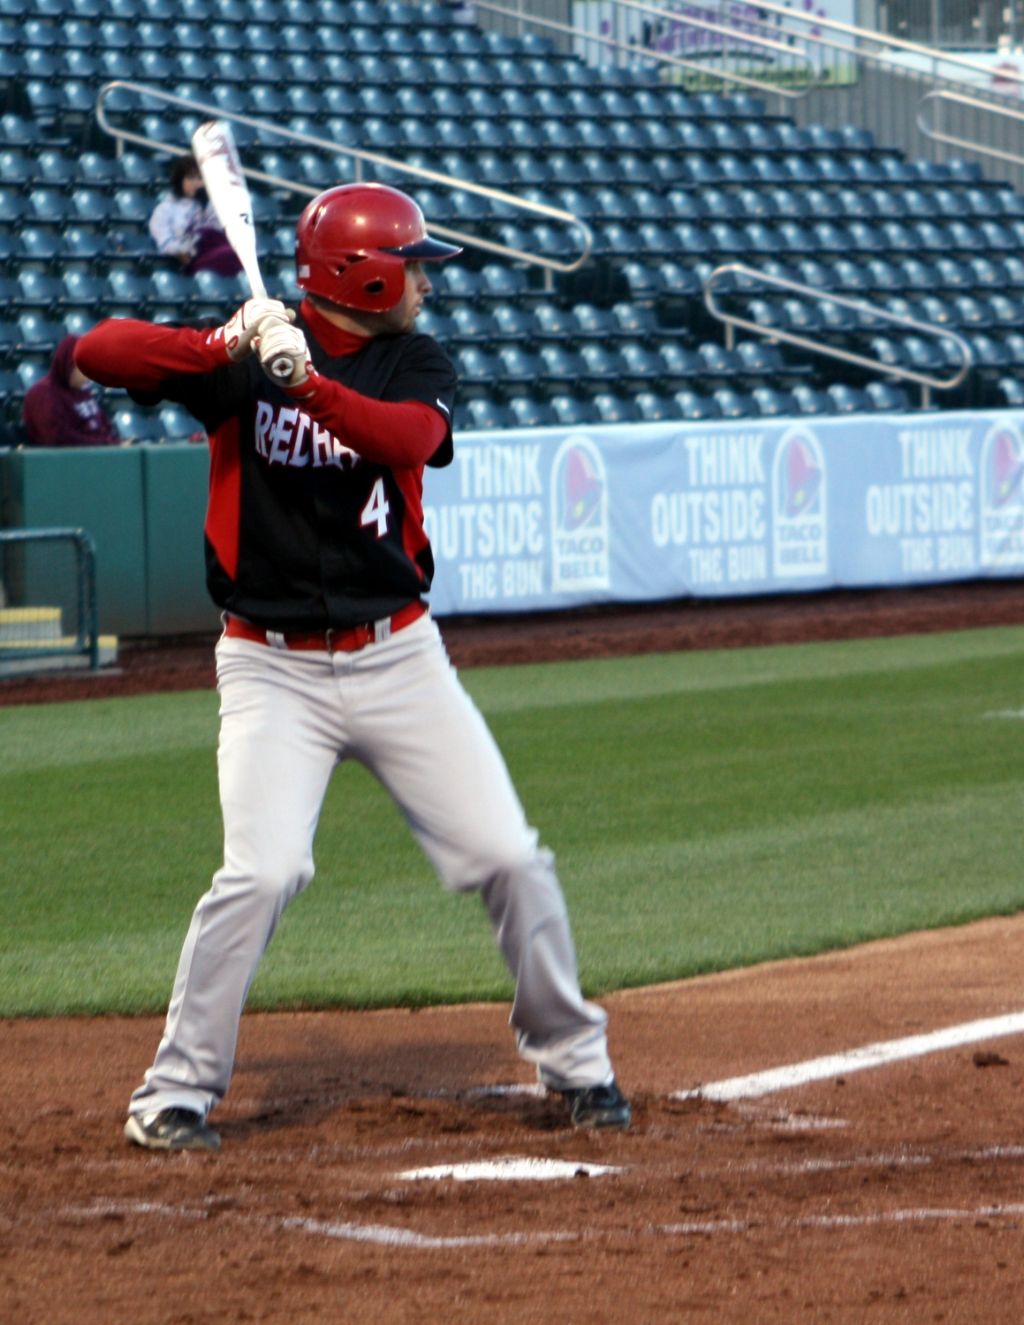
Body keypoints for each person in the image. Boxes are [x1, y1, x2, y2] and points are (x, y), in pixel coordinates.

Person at [75, 183, 630, 1154]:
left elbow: (407, 438)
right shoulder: (246, 358)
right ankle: (174, 1091)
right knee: (262, 870)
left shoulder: (411, 358)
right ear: (365, 272)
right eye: (411, 262)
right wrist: (224, 347)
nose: (422, 278)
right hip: (269, 669)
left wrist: (309, 386)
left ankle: (576, 1063)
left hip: (399, 656)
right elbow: (96, 350)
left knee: (508, 855)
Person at [148, 154, 243, 277]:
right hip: (192, 261)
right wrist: (187, 252)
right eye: (191, 178)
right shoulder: (165, 210)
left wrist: (206, 206)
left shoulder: (212, 205)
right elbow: (165, 243)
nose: (196, 183)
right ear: (180, 180)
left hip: (218, 252)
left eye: (201, 178)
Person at [22, 335, 119, 447]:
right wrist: (104, 444)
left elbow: (105, 427)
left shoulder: (82, 392)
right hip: (63, 461)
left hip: (98, 456)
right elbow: (58, 438)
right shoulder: (42, 393)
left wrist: (114, 443)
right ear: (68, 364)